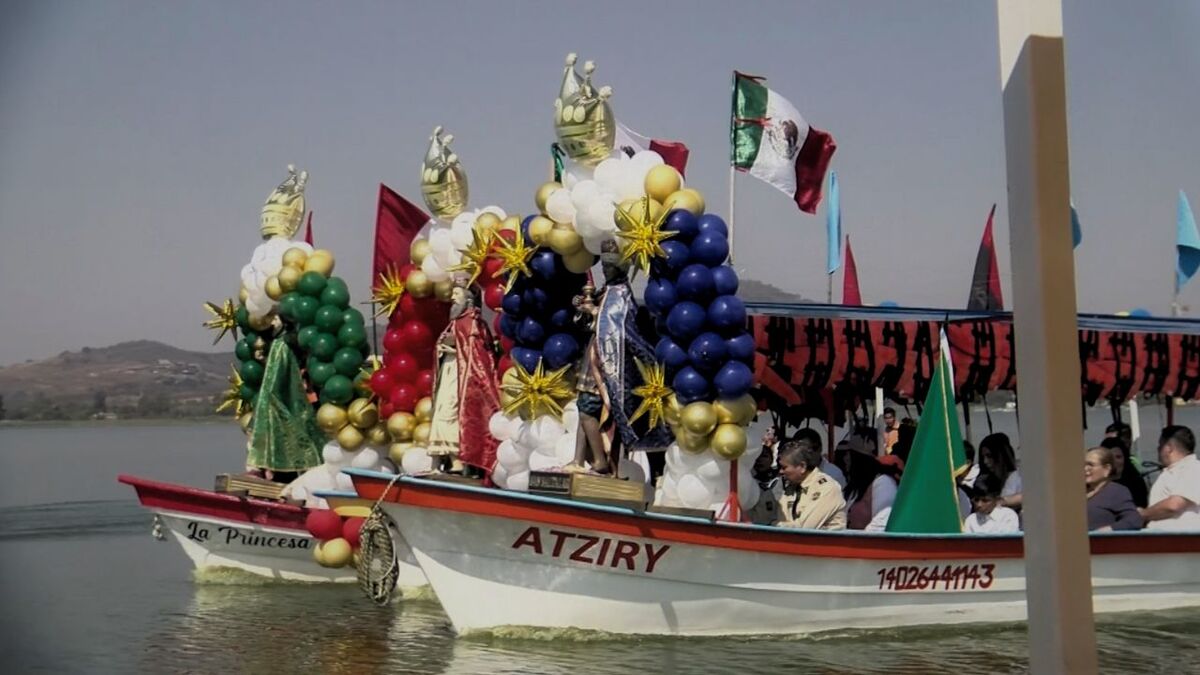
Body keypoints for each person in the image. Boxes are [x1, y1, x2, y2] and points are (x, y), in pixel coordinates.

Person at [775, 439, 847, 530]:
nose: (780, 471)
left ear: (802, 466)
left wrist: (779, 525)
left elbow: (806, 527)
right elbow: (780, 520)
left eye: (784, 467)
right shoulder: (790, 488)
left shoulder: (827, 488)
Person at [1139, 425, 1200, 531]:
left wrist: (1143, 514)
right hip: (1159, 538)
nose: (1157, 449)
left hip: (1180, 540)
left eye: (1160, 445)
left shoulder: (1193, 468)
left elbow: (1174, 505)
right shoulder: (1171, 472)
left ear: (1168, 448)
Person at [843, 439, 899, 530]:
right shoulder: (856, 486)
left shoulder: (883, 482)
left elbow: (881, 523)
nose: (845, 458)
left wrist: (859, 542)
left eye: (848, 454)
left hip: (865, 542)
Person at [1083, 446, 1143, 531]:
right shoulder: (1077, 491)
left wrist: (1109, 529)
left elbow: (1134, 520)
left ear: (1107, 469)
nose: (1085, 469)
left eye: (1091, 465)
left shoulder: (1117, 492)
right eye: (1084, 465)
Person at [1099, 436, 1148, 508]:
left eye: (1118, 457)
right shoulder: (1096, 484)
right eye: (1111, 457)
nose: (1114, 461)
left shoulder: (1136, 483)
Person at [978, 432, 1022, 510]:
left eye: (989, 456)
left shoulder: (1017, 477)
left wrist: (999, 502)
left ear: (1001, 455)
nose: (985, 461)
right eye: (983, 457)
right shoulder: (985, 481)